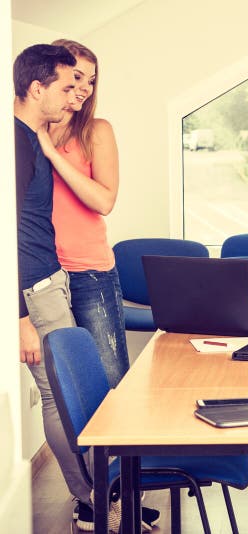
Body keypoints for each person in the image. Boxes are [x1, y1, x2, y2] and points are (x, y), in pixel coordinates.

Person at [34, 39, 160, 530]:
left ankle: (118, 495)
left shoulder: (95, 132)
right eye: (75, 78)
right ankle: (90, 499)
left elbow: (103, 200)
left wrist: (52, 151)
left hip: (90, 273)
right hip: (44, 278)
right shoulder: (27, 129)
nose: (83, 89)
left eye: (91, 79)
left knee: (107, 389)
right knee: (62, 393)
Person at [13, 42, 104, 528]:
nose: (75, 95)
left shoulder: (31, 140)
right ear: (36, 88)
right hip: (35, 293)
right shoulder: (17, 145)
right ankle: (92, 502)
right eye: (66, 86)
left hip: (50, 282)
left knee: (65, 395)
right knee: (59, 396)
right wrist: (19, 319)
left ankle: (98, 496)